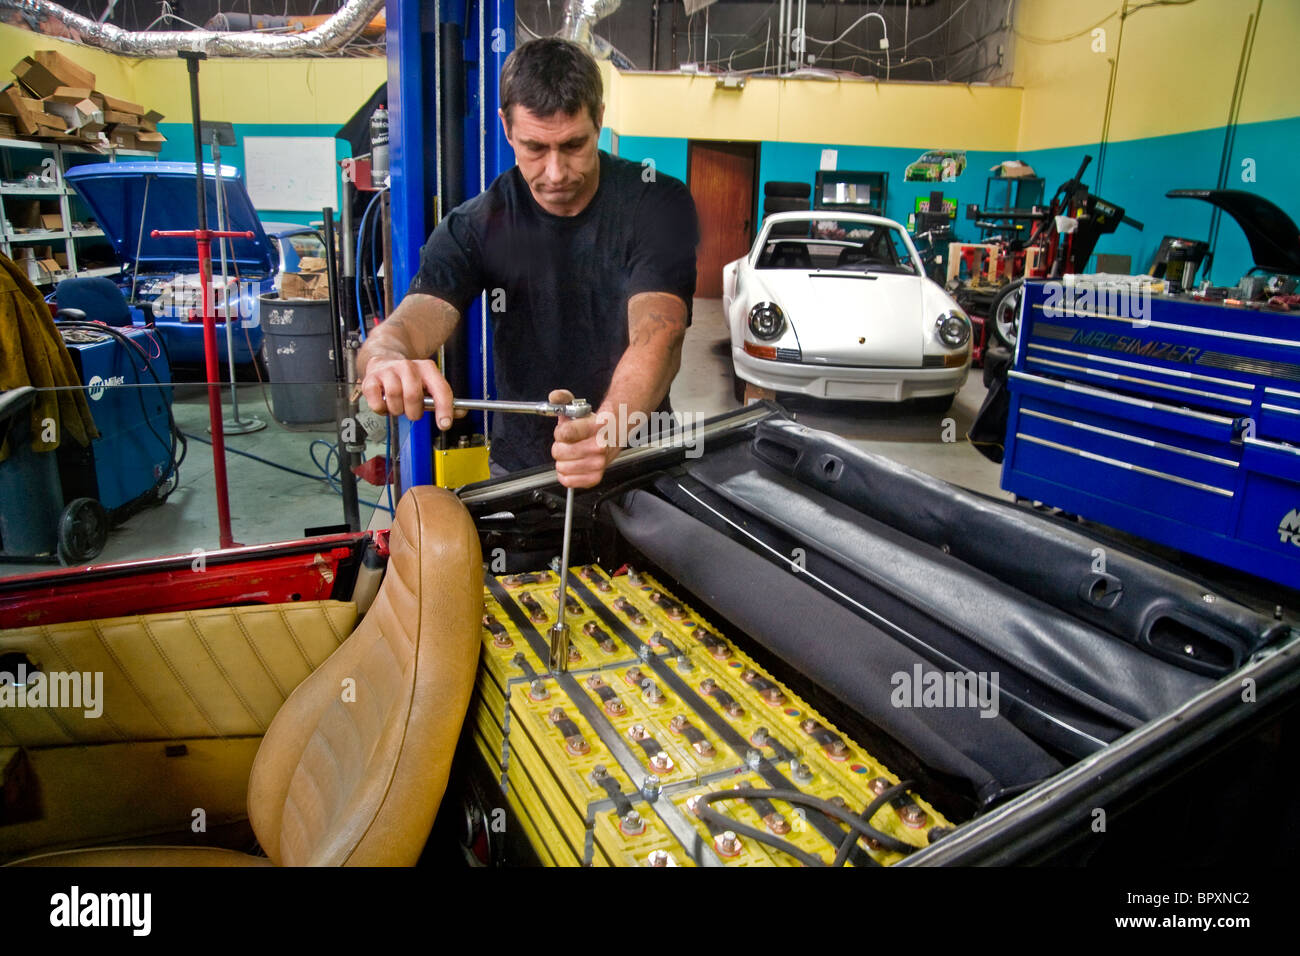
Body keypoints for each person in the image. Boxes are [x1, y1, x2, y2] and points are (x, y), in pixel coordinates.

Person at [358, 37, 699, 488]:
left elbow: (661, 337)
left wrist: (606, 431)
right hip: (523, 473)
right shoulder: (478, 224)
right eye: (535, 148)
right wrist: (384, 360)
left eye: (574, 145)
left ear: (599, 118)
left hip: (641, 462)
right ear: (505, 127)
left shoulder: (656, 203)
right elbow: (408, 324)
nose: (556, 173)